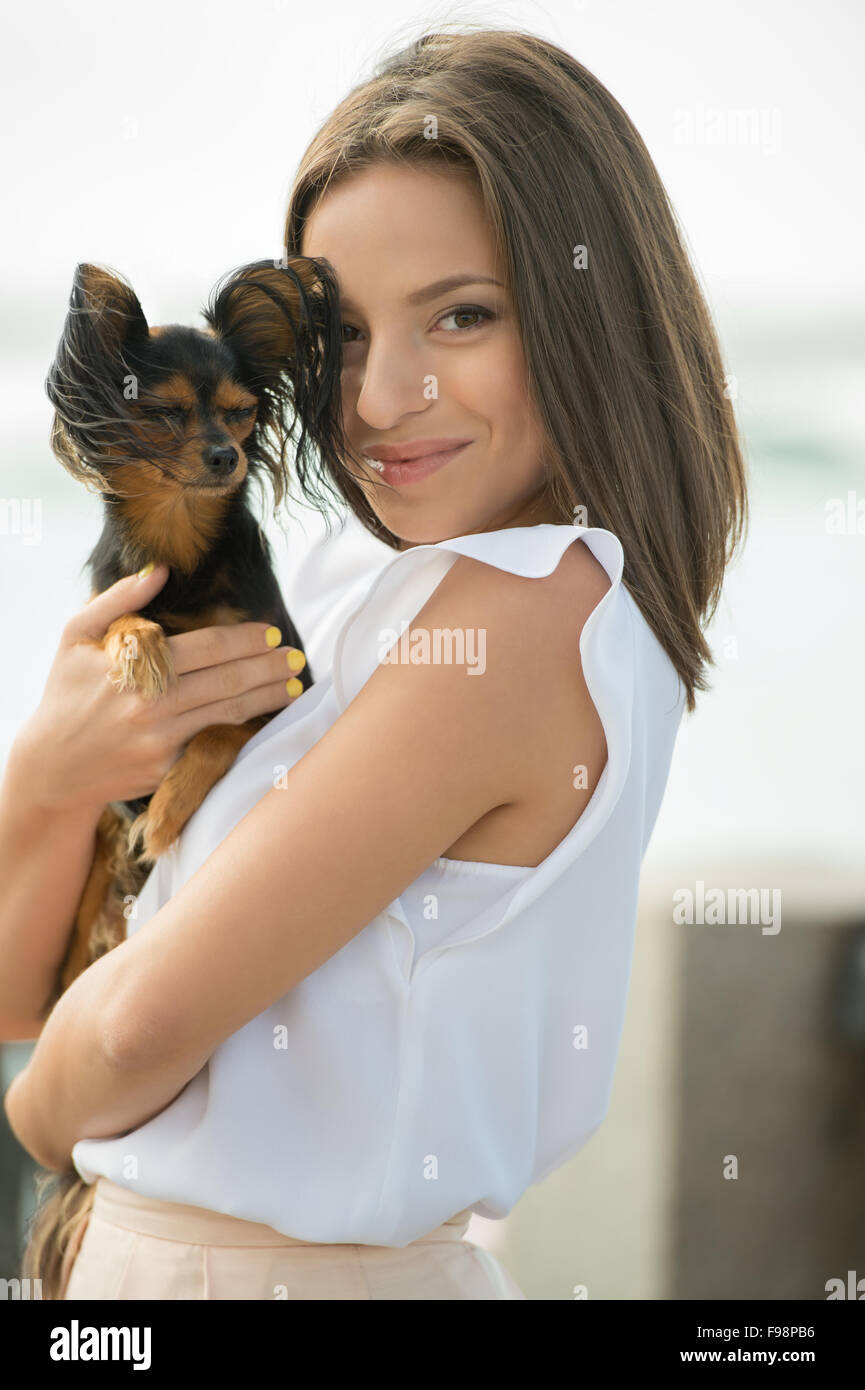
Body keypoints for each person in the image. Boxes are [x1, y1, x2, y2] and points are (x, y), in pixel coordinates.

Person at [1, 26, 747, 1300]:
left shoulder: (519, 620)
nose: (382, 397)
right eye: (338, 336)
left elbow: (127, 1028)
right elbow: (29, 994)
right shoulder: (361, 577)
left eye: (462, 314)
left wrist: (39, 1117)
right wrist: (50, 778)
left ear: (585, 312)